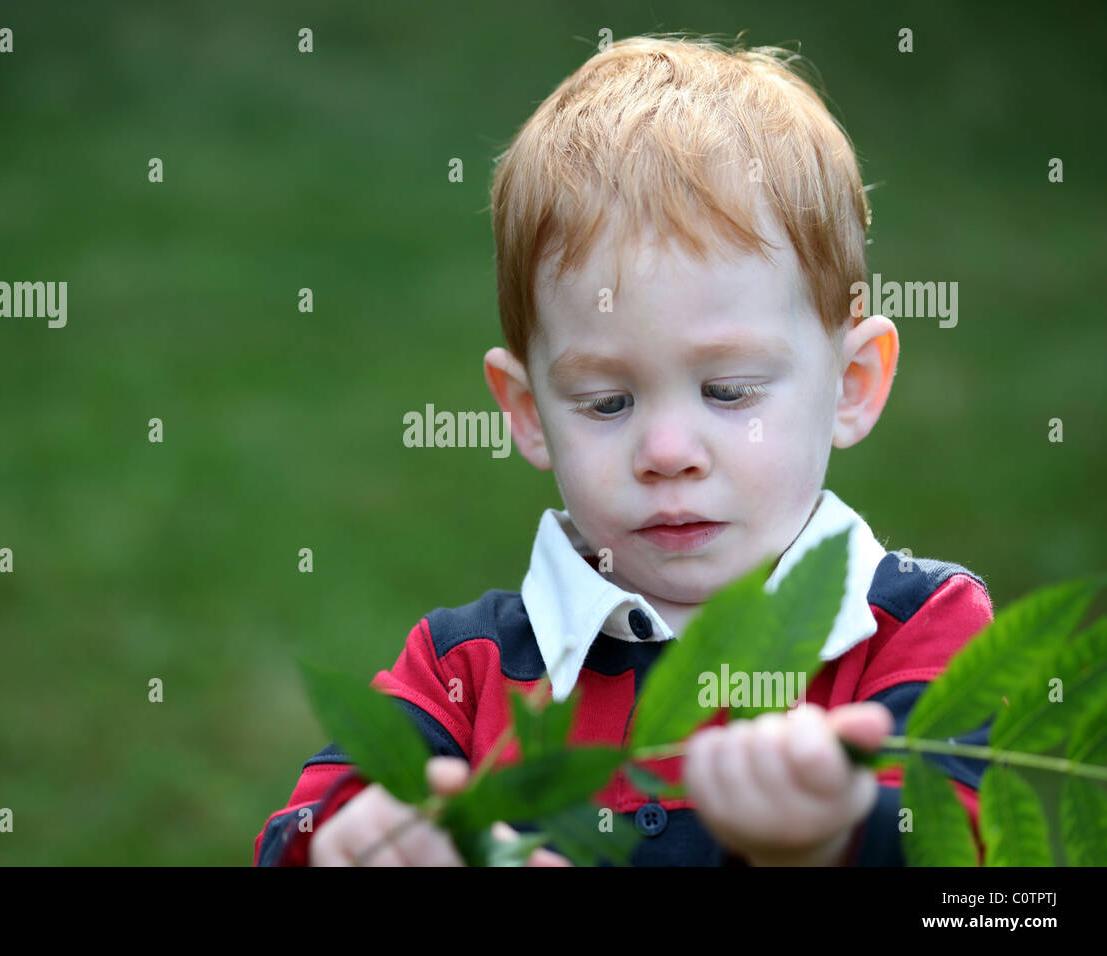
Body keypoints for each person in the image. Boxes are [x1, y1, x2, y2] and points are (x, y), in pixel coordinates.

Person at [255, 34, 993, 866]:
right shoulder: (470, 667)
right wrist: (353, 841)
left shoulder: (913, 631)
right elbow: (308, 823)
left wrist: (833, 832)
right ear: (529, 414)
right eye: (607, 401)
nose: (668, 451)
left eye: (729, 391)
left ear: (853, 383)